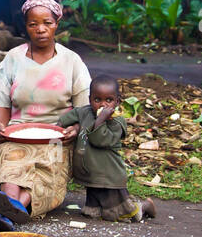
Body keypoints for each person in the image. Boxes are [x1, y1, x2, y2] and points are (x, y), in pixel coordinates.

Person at [0, 0, 91, 230]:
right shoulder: (12, 59)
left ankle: (11, 210)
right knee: (12, 164)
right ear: (26, 27)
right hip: (16, 134)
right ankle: (13, 206)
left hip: (58, 138)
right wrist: (1, 126)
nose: (41, 29)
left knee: (47, 170)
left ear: (57, 24)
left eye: (47, 23)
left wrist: (75, 128)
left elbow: (84, 108)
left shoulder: (72, 62)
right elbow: (1, 99)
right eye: (33, 24)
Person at [57, 76, 157, 222]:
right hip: (91, 173)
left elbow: (100, 140)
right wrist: (59, 127)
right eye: (97, 100)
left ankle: (144, 207)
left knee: (119, 212)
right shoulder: (85, 112)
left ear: (117, 101)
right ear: (90, 99)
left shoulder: (117, 122)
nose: (102, 105)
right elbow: (65, 119)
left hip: (109, 175)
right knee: (93, 210)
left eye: (108, 100)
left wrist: (100, 120)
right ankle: (96, 209)